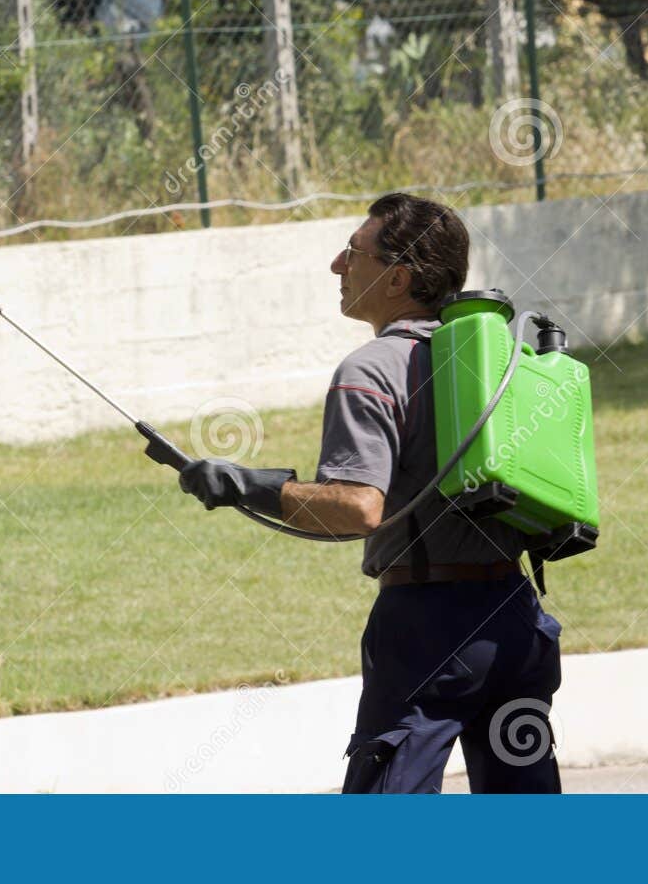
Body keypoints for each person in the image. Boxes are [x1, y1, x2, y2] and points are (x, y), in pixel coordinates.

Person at [179, 192, 563, 793]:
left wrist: (244, 485)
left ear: (398, 278)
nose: (338, 264)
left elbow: (360, 507)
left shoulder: (372, 367)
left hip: (426, 629)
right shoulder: (503, 365)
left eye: (354, 252)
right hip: (516, 620)